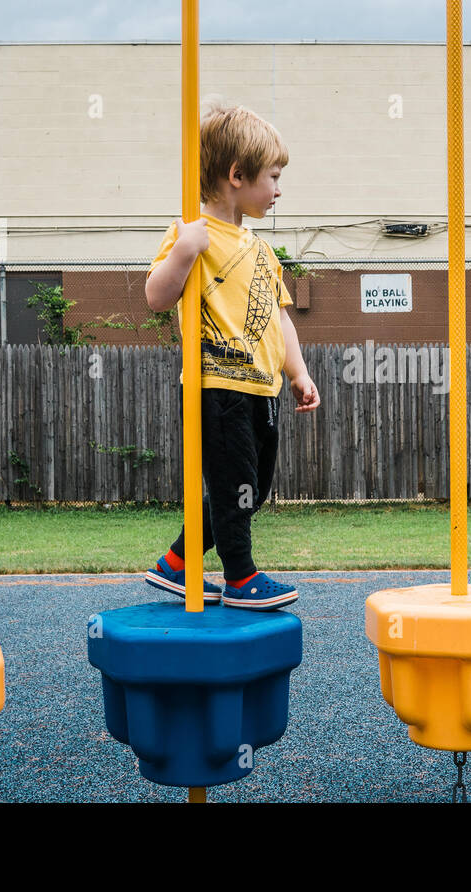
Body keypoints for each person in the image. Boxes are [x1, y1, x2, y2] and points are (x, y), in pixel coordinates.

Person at [142, 96, 319, 610]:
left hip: (263, 388)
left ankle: (178, 563)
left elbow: (280, 317)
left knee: (252, 487)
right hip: (217, 388)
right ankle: (239, 577)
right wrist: (182, 252)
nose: (279, 189)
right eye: (273, 176)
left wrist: (300, 374)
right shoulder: (191, 235)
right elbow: (157, 298)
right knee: (235, 484)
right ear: (237, 175)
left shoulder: (261, 250)